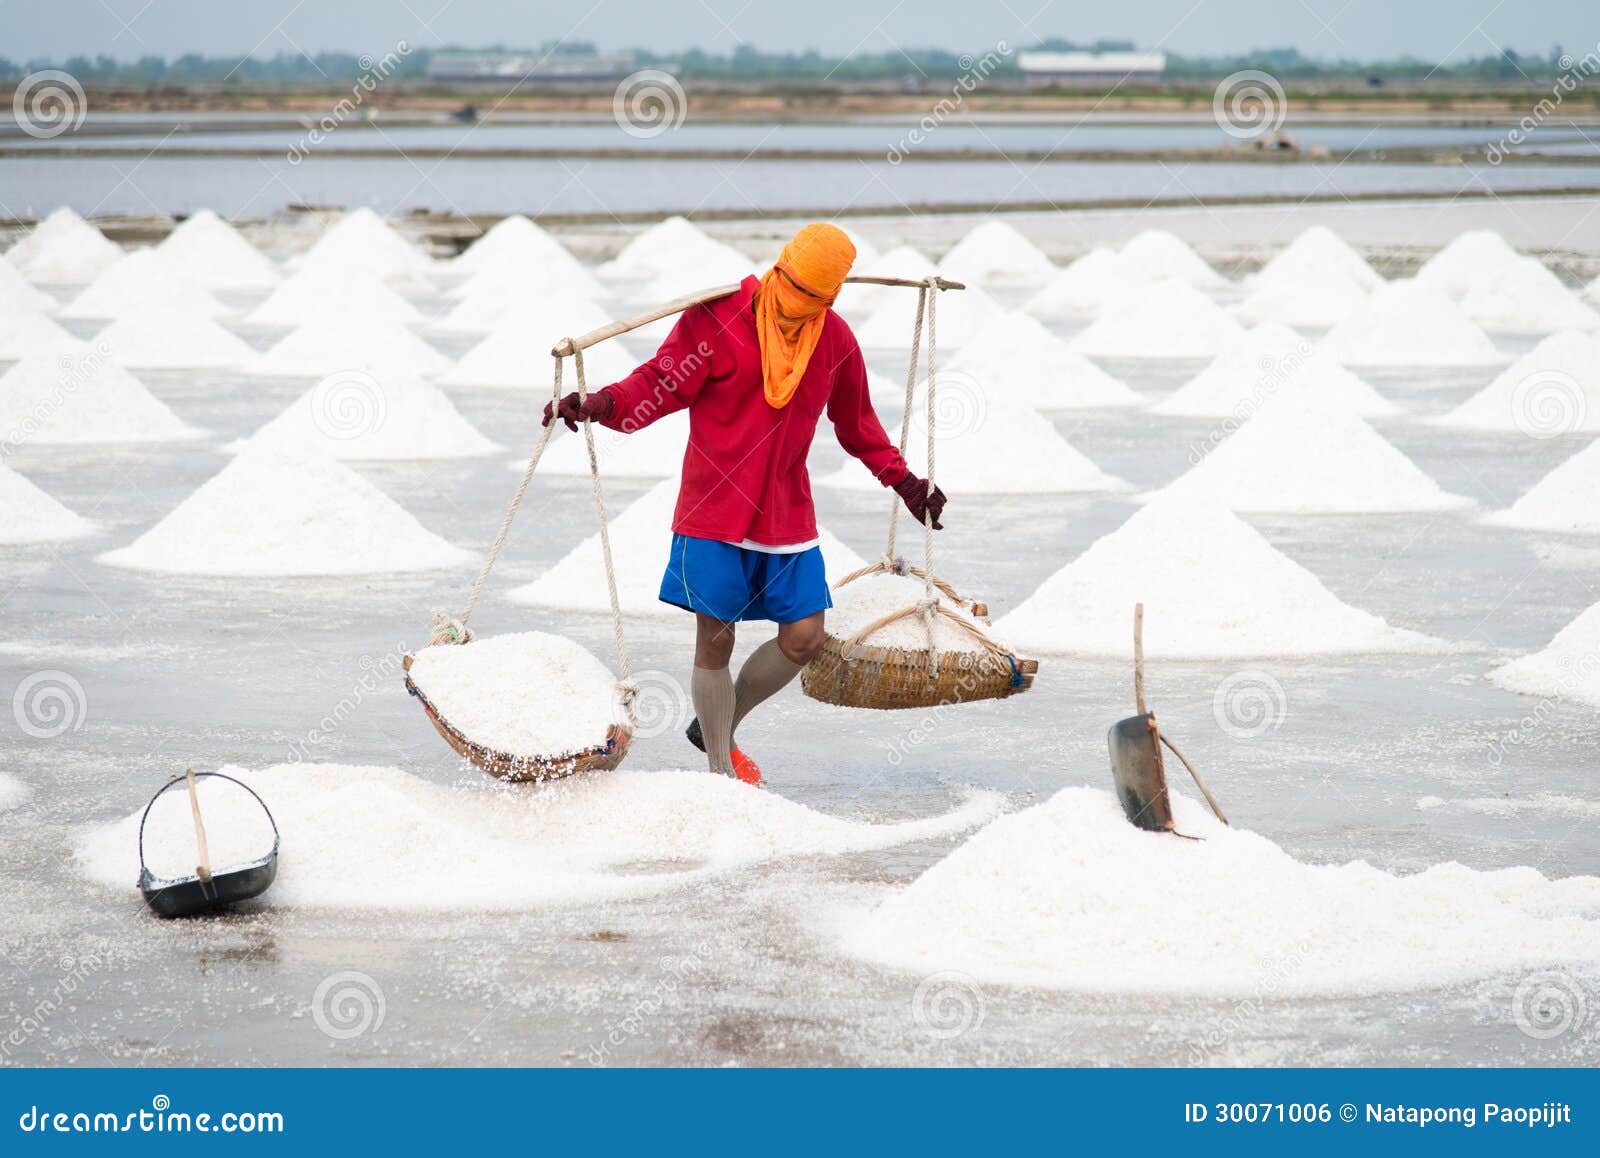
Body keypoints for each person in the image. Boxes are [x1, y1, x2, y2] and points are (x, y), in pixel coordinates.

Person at [544, 223, 946, 785]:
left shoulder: (833, 341)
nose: (796, 305)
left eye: (813, 299)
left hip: (786, 514)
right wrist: (601, 403)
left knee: (805, 636)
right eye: (792, 288)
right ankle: (718, 768)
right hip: (716, 510)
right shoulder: (716, 320)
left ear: (830, 297)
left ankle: (720, 721)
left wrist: (904, 482)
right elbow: (660, 383)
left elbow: (857, 425)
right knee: (717, 637)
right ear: (780, 269)